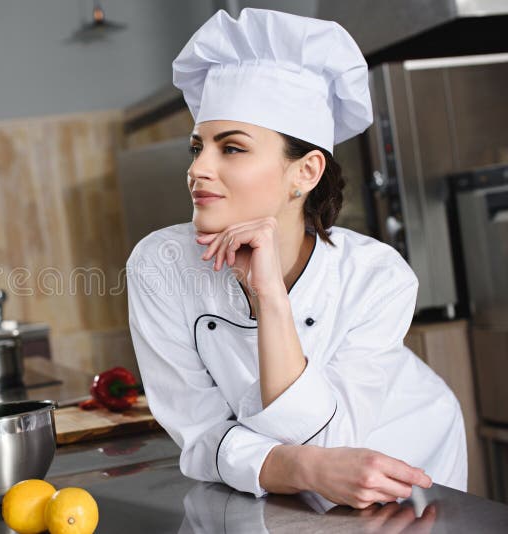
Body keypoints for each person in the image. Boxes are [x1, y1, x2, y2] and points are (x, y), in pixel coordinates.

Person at [126, 8, 467, 510]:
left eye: (232, 149)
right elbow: (199, 435)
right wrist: (301, 467)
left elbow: (326, 443)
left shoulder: (377, 278)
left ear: (305, 173)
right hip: (285, 487)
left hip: (399, 458)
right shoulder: (160, 265)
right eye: (198, 148)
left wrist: (270, 297)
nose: (198, 168)